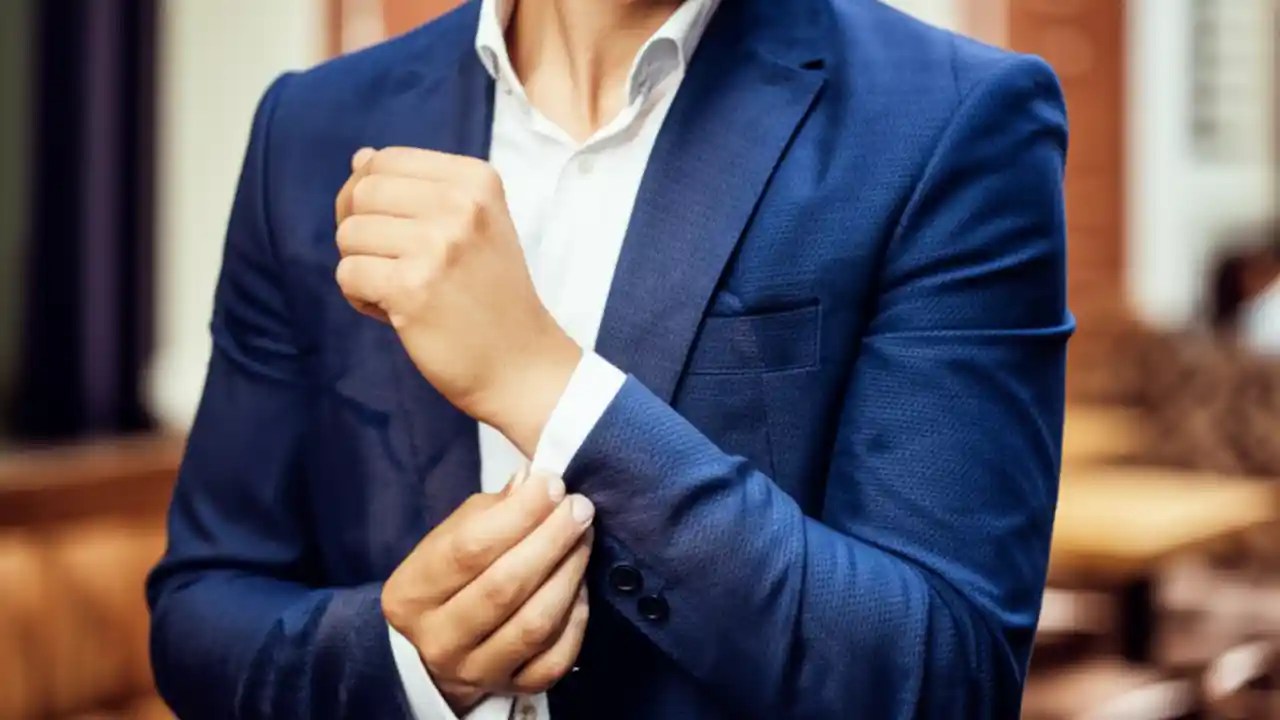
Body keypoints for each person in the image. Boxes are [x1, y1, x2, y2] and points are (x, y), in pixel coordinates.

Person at [146, 0, 1072, 718]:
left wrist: (546, 385)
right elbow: (202, 606)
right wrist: (404, 665)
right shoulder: (311, 128)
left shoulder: (953, 120)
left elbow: (947, 679)